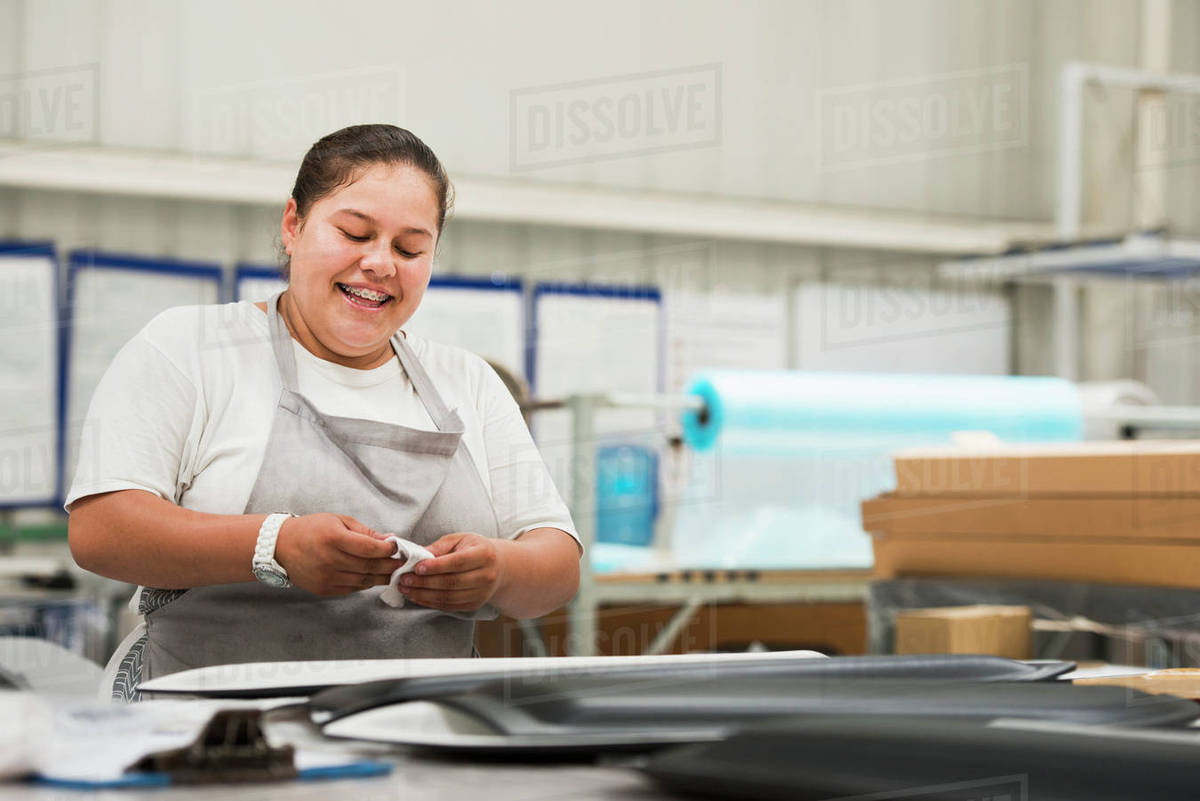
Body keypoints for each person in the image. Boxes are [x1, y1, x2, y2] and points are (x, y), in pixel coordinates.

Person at [66, 125, 581, 700]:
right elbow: (102, 530)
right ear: (294, 225)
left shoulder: (471, 382)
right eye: (355, 233)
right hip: (211, 738)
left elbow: (557, 565)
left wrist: (500, 573)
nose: (381, 263)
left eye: (410, 248)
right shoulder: (192, 348)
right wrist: (274, 546)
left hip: (420, 739)